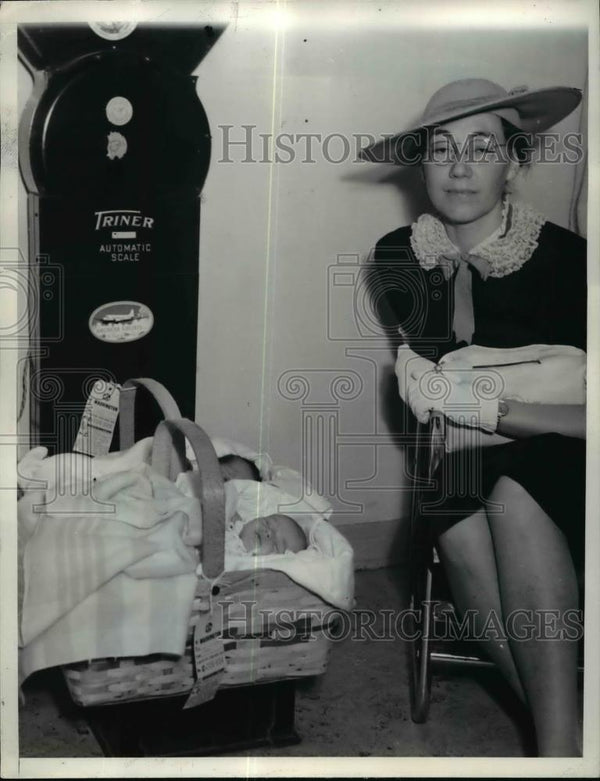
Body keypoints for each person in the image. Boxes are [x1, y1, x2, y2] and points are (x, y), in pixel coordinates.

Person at [361, 78, 586, 757]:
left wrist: (499, 406)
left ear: (514, 163)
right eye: (442, 148)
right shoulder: (401, 255)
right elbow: (433, 390)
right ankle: (569, 742)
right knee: (455, 517)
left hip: (567, 447)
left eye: (482, 147)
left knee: (514, 493)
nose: (459, 166)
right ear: (423, 164)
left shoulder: (569, 262)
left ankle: (557, 748)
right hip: (464, 454)